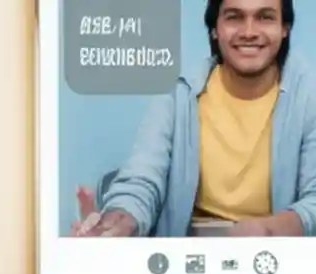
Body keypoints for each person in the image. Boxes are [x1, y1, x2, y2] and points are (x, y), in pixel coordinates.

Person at [73, 0, 316, 237]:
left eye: (265, 17)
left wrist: (268, 231)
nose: (249, 32)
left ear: (285, 28)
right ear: (214, 29)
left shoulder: (308, 97)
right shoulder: (178, 95)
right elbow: (141, 180)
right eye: (234, 17)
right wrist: (116, 224)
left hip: (276, 264)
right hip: (187, 264)